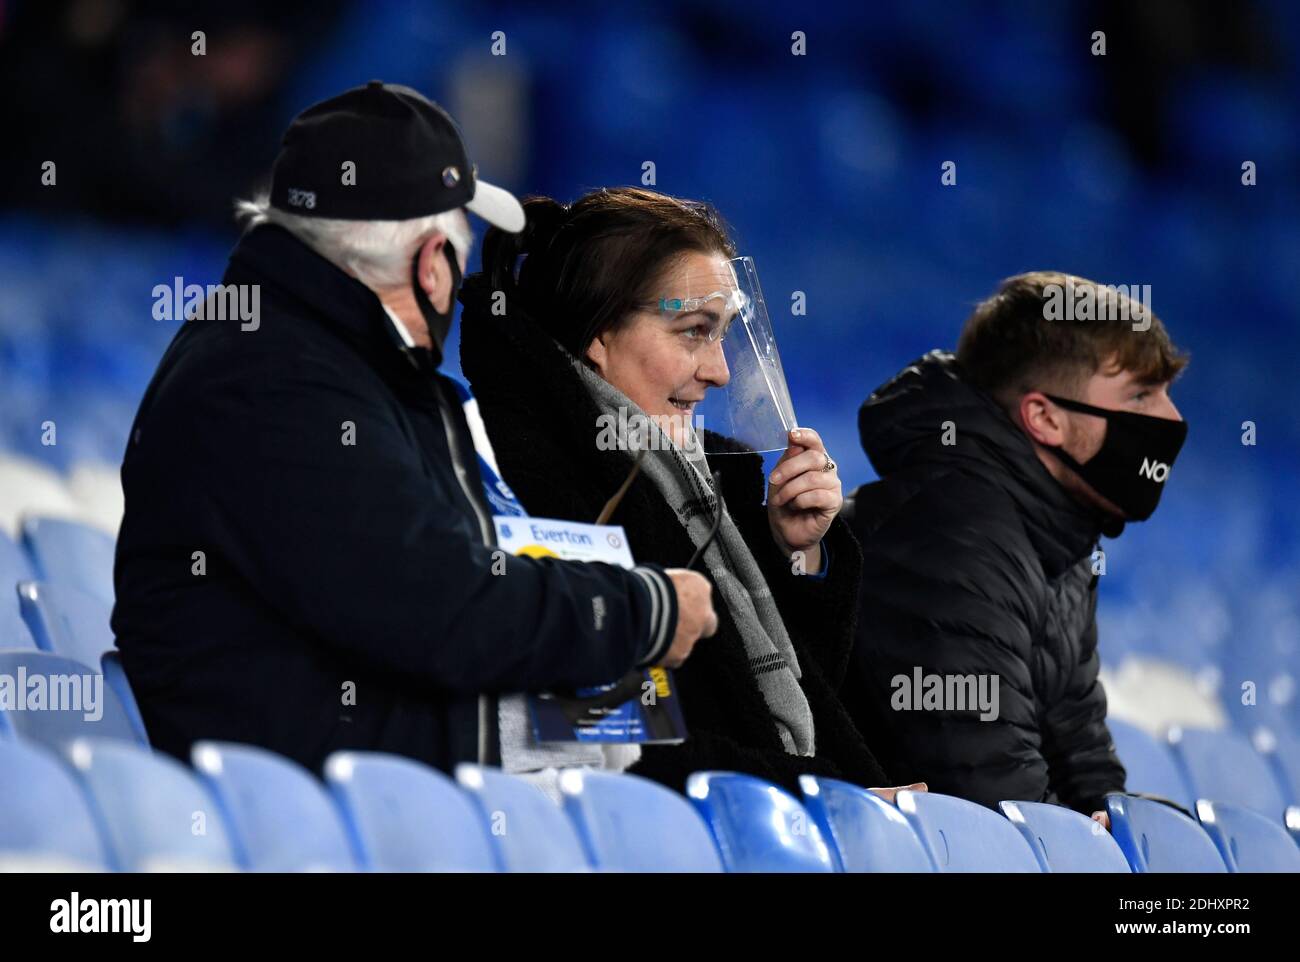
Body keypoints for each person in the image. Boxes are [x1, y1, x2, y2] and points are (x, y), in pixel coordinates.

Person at [112, 83, 717, 775]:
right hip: (321, 816)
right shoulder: (278, 381)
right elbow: (443, 609)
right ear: (432, 265)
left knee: (652, 761)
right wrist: (645, 611)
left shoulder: (309, 354)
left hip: (365, 777)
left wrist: (606, 702)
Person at [458, 187, 908, 798]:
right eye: (694, 331)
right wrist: (828, 795)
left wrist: (794, 553)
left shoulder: (714, 479)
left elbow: (790, 706)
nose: (720, 370)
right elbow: (612, 761)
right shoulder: (530, 484)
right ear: (601, 332)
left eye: (723, 334)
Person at [841, 272, 1188, 823]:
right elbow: (993, 802)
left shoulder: (1055, 534)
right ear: (1044, 417)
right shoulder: (952, 534)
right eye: (1142, 394)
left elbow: (1085, 763)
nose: (1172, 419)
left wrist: (1136, 832)